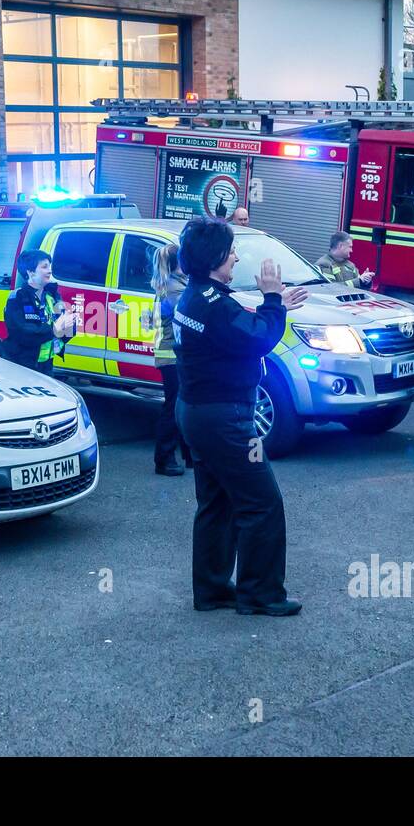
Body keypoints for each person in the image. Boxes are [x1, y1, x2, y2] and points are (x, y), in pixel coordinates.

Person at [173, 217, 310, 616]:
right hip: (228, 421)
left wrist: (275, 306)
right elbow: (256, 340)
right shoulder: (213, 303)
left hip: (199, 414)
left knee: (216, 502)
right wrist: (271, 298)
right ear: (214, 257)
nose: (235, 256)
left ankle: (213, 589)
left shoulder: (198, 295)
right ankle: (261, 594)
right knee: (261, 504)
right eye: (231, 250)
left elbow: (239, 328)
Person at [150, 242, 191, 476]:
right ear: (177, 265)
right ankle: (164, 459)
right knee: (173, 407)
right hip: (171, 356)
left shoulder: (173, 285)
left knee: (181, 405)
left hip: (172, 355)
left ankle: (188, 456)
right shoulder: (175, 290)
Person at [3, 249, 76, 375]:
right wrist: (54, 329)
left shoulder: (52, 295)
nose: (49, 271)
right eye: (44, 267)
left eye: (49, 266)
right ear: (30, 272)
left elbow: (66, 331)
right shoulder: (17, 298)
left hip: (47, 365)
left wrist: (70, 325)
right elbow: (23, 334)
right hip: (22, 366)